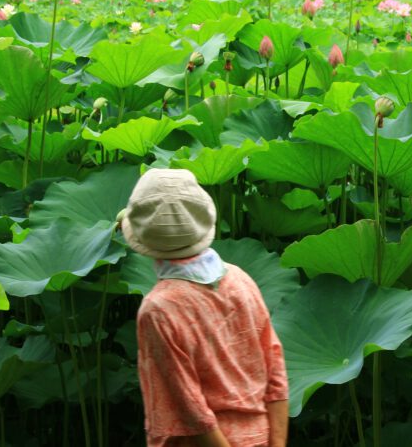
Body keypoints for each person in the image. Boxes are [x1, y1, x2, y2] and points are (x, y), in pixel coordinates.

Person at [119, 168, 289, 447]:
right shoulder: (240, 279)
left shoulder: (158, 309)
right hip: (261, 438)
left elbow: (192, 413)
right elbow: (277, 372)